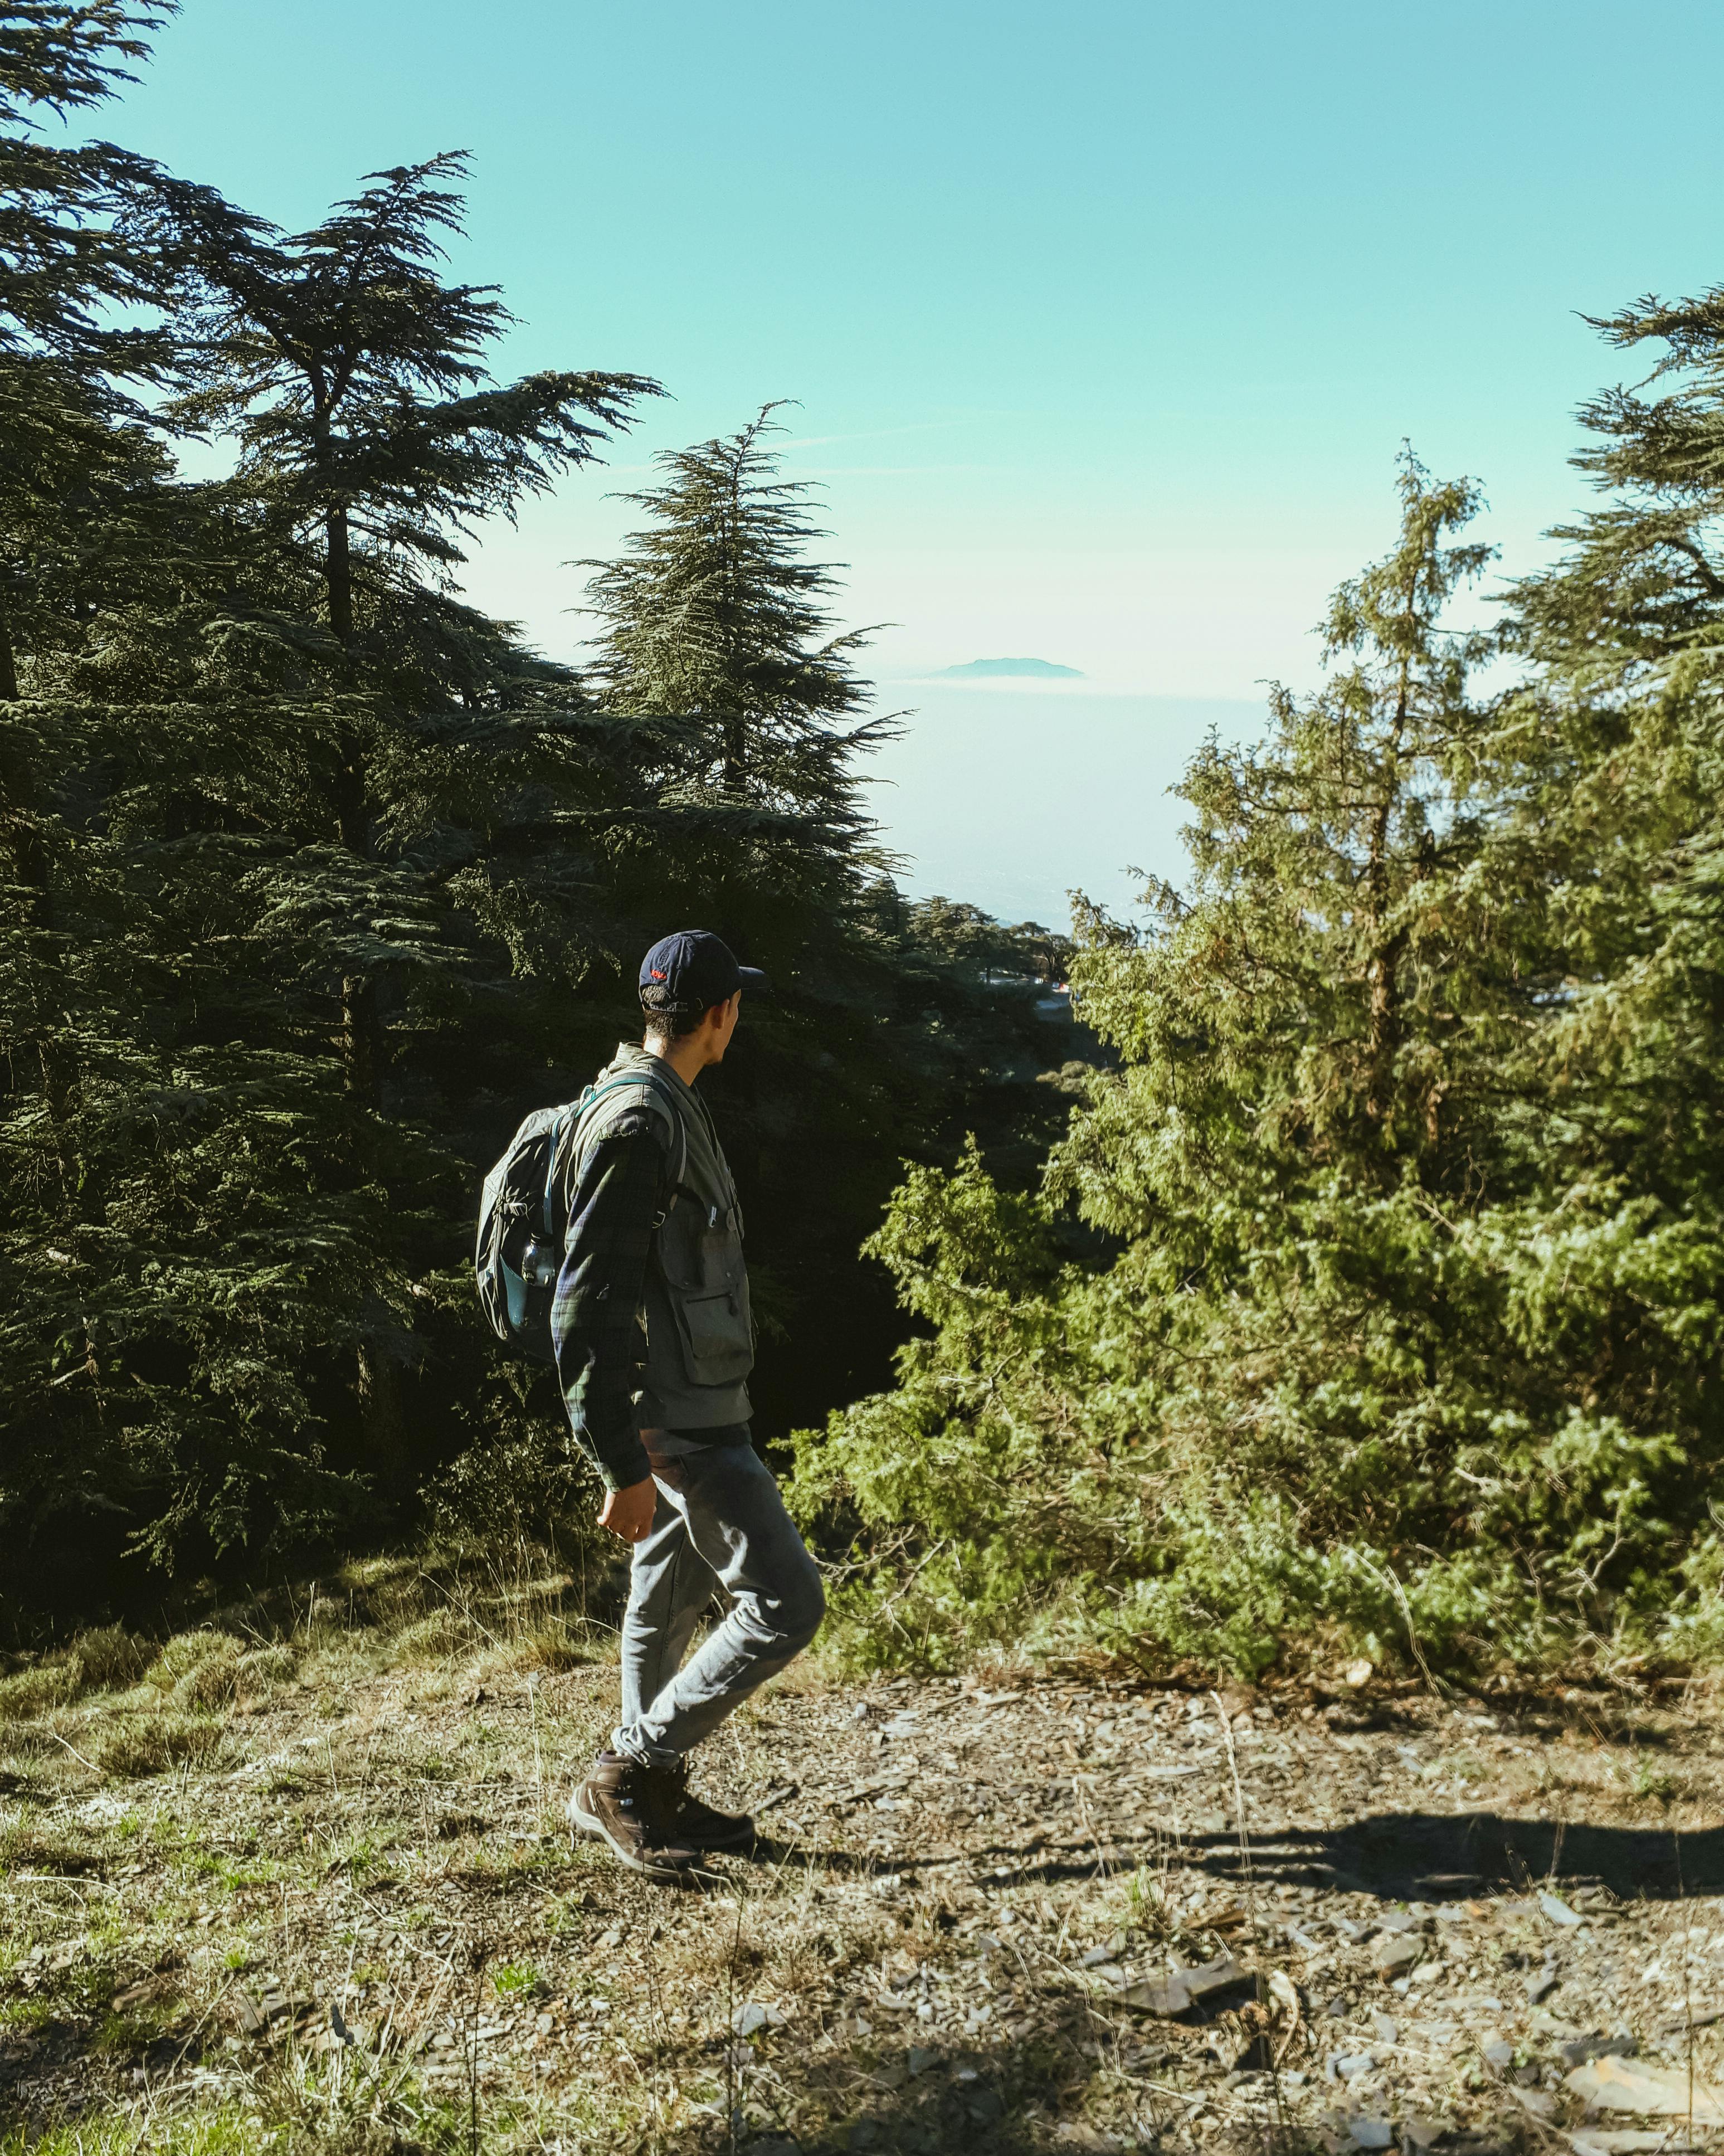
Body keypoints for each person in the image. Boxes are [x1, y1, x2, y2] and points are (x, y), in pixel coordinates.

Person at [551, 929, 826, 1877]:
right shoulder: (641, 1123)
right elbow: (583, 1308)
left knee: (663, 1598)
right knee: (785, 1602)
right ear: (721, 1014)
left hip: (686, 1401)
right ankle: (628, 1772)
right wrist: (620, 1462)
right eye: (736, 1003)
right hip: (681, 1421)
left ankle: (647, 1794)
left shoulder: (658, 1099)